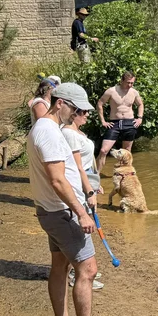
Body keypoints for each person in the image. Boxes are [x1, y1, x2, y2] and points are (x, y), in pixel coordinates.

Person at [27, 82, 102, 316]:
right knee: (88, 270)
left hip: (52, 210)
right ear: (60, 103)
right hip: (62, 212)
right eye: (76, 108)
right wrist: (81, 212)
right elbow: (58, 180)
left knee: (60, 265)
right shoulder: (48, 131)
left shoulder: (47, 128)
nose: (78, 114)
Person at [61, 101, 104, 291]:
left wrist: (96, 182)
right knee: (81, 230)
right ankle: (78, 273)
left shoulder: (77, 130)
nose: (87, 115)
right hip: (79, 185)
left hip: (87, 180)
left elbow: (88, 162)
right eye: (84, 112)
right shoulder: (69, 133)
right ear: (74, 113)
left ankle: (81, 269)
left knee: (84, 230)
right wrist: (89, 191)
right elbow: (78, 166)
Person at [95, 71, 144, 172]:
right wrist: (103, 121)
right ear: (122, 80)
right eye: (128, 82)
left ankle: (125, 175)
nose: (130, 85)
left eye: (132, 83)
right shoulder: (111, 91)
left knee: (127, 153)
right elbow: (100, 104)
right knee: (103, 150)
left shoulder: (134, 92)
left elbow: (140, 104)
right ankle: (95, 176)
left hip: (129, 123)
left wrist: (140, 118)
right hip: (115, 123)